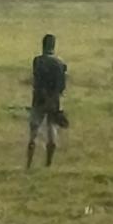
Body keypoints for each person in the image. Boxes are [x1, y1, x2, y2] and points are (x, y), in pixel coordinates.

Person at [28, 33, 68, 169]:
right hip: (54, 101)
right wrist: (53, 99)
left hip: (39, 99)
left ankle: (29, 163)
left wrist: (43, 95)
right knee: (52, 132)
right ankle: (48, 164)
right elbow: (62, 86)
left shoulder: (37, 61)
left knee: (33, 133)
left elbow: (36, 81)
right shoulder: (60, 63)